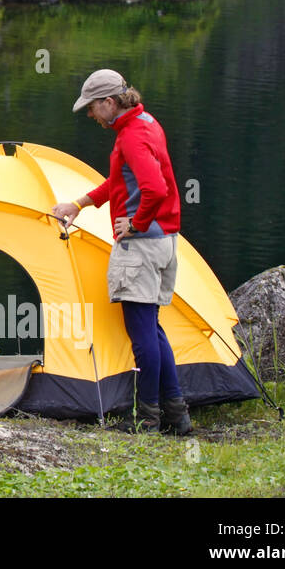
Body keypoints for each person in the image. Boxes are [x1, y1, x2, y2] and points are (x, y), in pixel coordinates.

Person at [51, 69, 192, 435]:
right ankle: (176, 414)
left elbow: (155, 189)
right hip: (165, 242)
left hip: (142, 246)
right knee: (153, 330)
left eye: (92, 108)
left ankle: (148, 419)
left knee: (142, 334)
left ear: (109, 102)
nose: (90, 115)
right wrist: (80, 203)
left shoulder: (130, 137)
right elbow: (121, 180)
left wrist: (135, 224)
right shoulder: (146, 122)